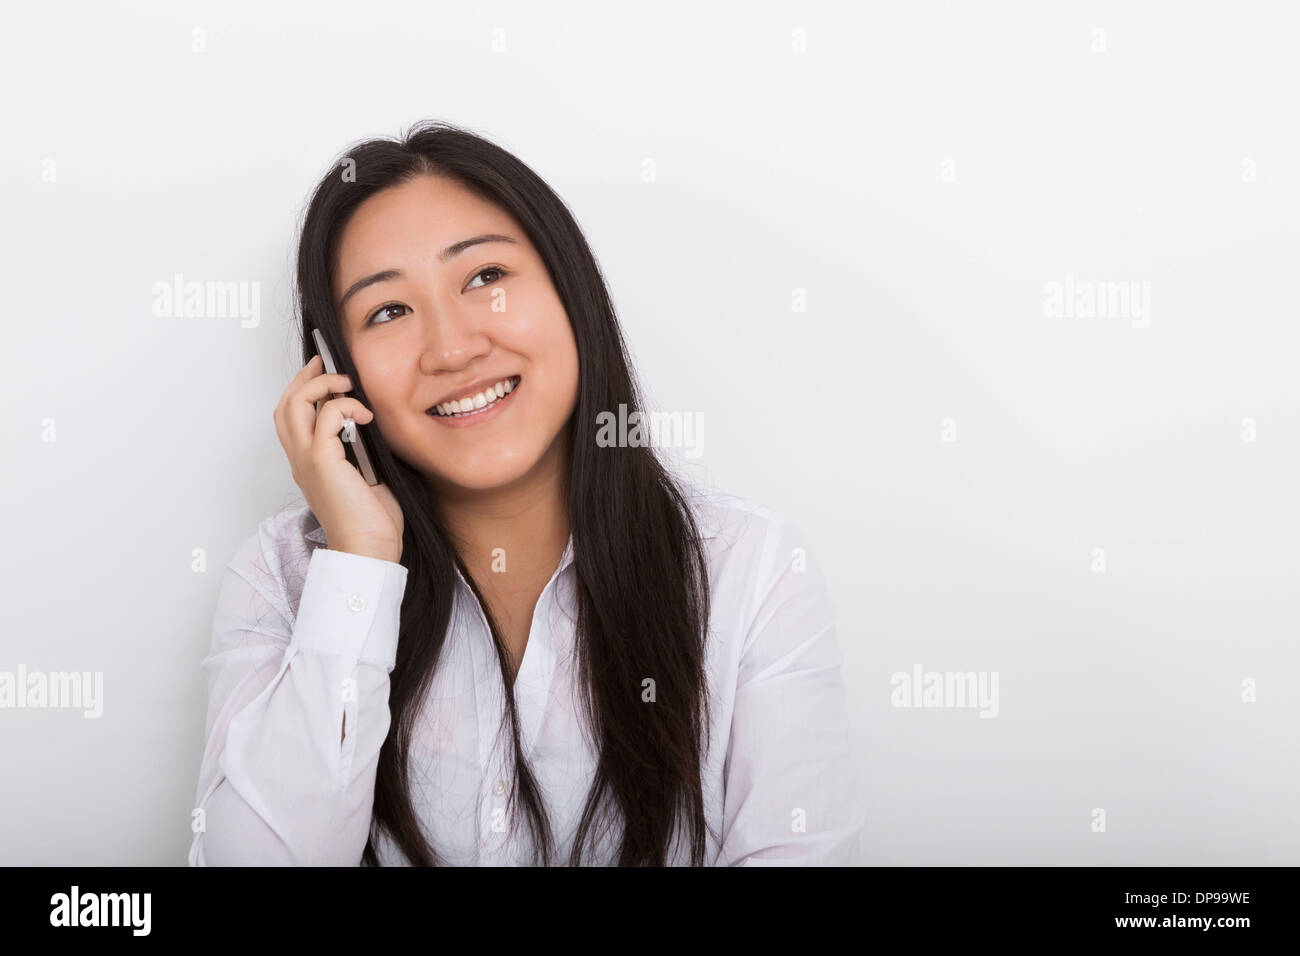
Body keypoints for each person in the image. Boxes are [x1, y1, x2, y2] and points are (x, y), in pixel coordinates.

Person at [187, 120, 863, 866]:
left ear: (570, 290)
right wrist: (360, 566)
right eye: (388, 311)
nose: (452, 349)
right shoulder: (283, 580)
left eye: (486, 278)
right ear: (333, 372)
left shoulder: (753, 573)